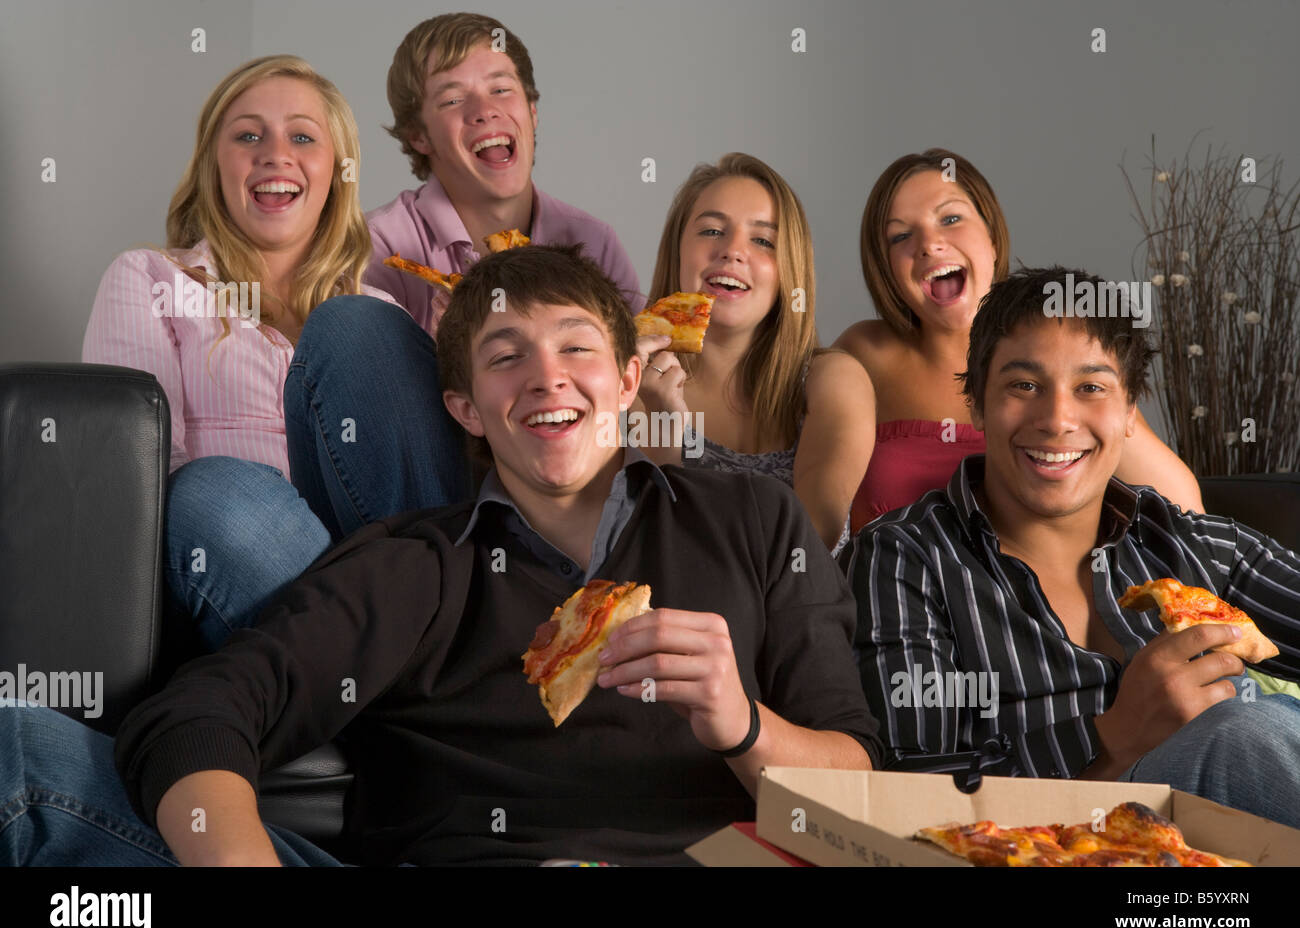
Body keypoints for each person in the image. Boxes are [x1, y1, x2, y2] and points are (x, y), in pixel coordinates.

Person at [3, 245, 879, 866]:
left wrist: (746, 727)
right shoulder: (416, 565)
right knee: (16, 744)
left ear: (624, 378)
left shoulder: (752, 521)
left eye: (576, 346)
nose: (546, 377)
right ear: (464, 408)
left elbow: (860, 786)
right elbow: (203, 713)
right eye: (507, 358)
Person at [849, 265, 1300, 828]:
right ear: (976, 405)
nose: (1057, 419)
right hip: (1044, 849)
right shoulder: (903, 560)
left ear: (1130, 413)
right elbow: (906, 793)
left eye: (1091, 388)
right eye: (1023, 385)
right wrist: (1111, 737)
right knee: (1241, 736)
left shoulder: (1192, 544)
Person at [284, 13, 644, 537]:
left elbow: (624, 399)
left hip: (574, 496)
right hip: (440, 503)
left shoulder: (593, 239)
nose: (485, 111)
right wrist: (445, 349)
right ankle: (436, 583)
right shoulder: (376, 247)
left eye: (502, 89)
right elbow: (368, 415)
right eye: (453, 99)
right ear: (418, 135)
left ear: (533, 112)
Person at [83, 55, 397, 650]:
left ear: (338, 170)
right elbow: (135, 485)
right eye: (248, 135)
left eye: (302, 136)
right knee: (214, 492)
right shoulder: (150, 280)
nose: (275, 153)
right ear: (213, 165)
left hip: (383, 581)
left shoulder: (382, 318)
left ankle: (377, 677)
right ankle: (379, 686)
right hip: (240, 571)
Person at [835, 149, 1204, 532]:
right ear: (885, 269)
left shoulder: (1064, 343)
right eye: (901, 235)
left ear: (992, 236)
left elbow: (1187, 512)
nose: (928, 244)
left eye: (951, 218)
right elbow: (814, 507)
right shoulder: (863, 354)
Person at [635, 153, 875, 555]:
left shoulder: (833, 381)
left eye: (763, 240)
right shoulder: (626, 375)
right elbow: (641, 550)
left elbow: (807, 549)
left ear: (788, 271)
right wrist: (660, 429)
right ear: (677, 251)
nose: (732, 251)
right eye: (711, 231)